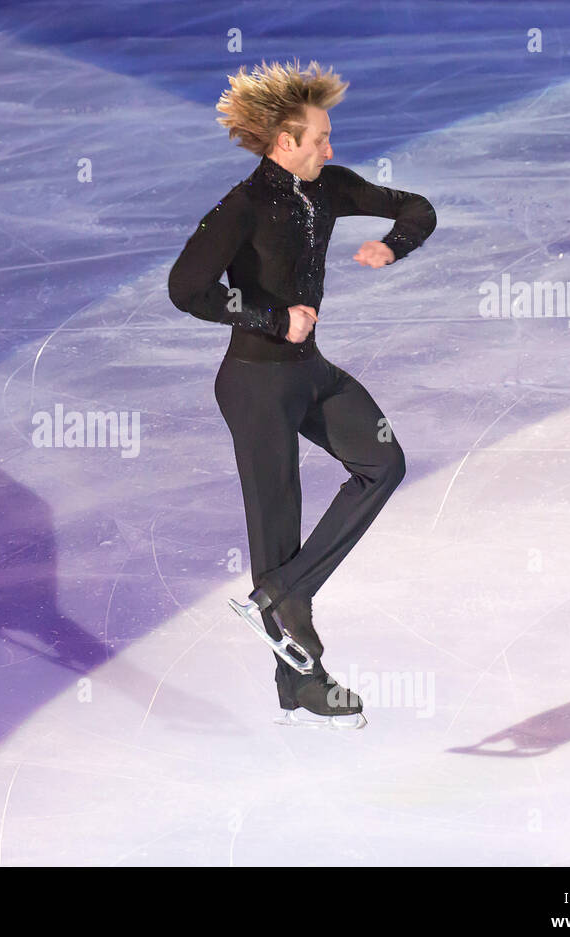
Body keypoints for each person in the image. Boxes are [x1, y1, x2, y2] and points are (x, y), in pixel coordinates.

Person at [167, 59, 436, 728]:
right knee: (277, 529)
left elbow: (416, 208)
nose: (330, 148)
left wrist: (393, 245)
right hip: (254, 383)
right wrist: (269, 318)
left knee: (383, 463)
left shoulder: (329, 188)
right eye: (320, 138)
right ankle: (300, 679)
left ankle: (280, 595)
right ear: (285, 141)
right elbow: (186, 288)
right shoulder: (243, 206)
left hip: (308, 372)